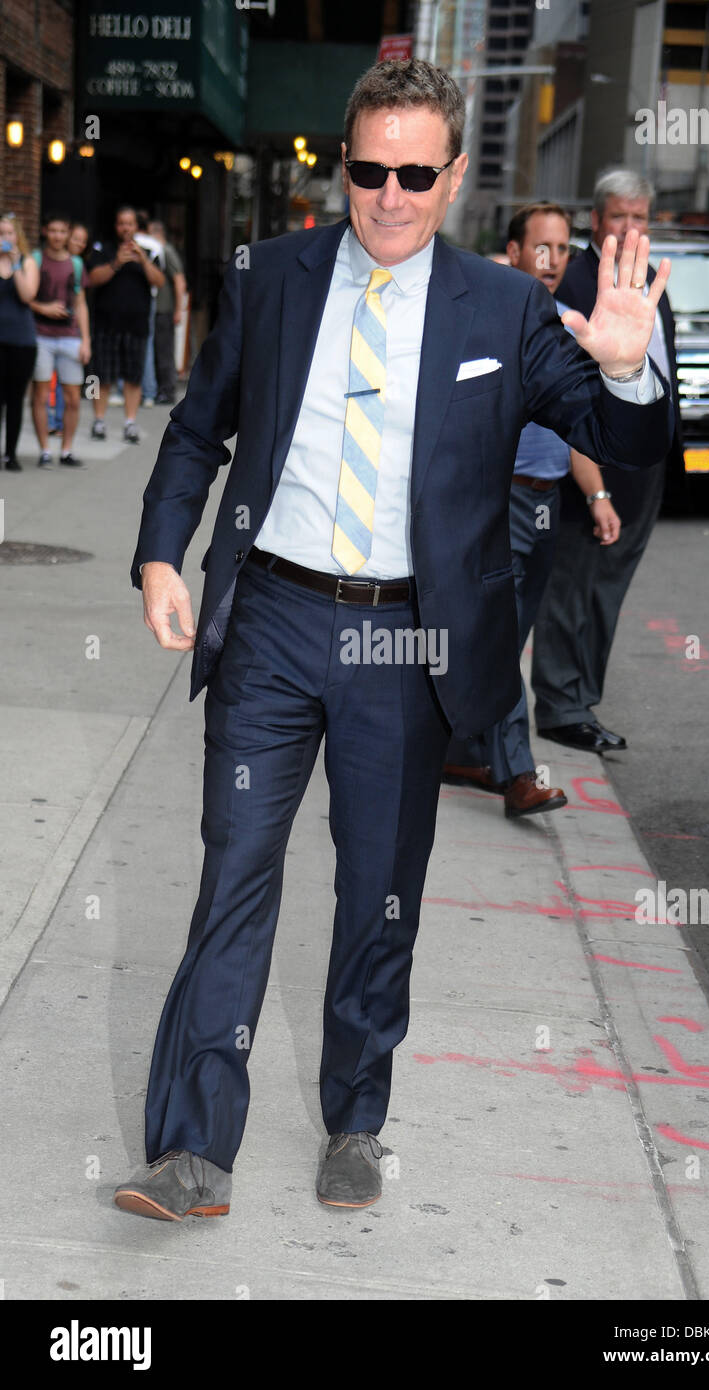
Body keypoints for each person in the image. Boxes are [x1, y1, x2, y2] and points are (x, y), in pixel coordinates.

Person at [114, 59, 672, 1222]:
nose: (389, 195)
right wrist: (165, 552)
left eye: (415, 173)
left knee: (378, 887)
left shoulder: (504, 308)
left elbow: (609, 438)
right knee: (235, 871)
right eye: (368, 170)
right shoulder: (273, 276)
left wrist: (621, 371)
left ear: (453, 175)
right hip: (270, 614)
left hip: (402, 640)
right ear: (343, 163)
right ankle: (190, 1149)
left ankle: (355, 1117)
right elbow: (196, 428)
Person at [442, 201, 622, 816]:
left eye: (563, 249)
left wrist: (596, 496)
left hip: (546, 506)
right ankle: (518, 773)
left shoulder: (573, 325)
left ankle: (463, 749)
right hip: (497, 499)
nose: (552, 260)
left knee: (507, 635)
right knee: (499, 638)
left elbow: (579, 431)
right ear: (513, 252)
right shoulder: (480, 319)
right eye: (540, 247)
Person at [532, 168, 684, 753]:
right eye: (618, 215)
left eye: (639, 217)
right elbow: (563, 393)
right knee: (573, 587)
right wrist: (595, 491)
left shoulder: (649, 283)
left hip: (647, 462)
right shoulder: (574, 283)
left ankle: (580, 699)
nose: (629, 227)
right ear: (595, 220)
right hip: (591, 462)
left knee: (608, 590)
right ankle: (561, 706)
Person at [87, 206, 164, 444]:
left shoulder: (149, 251)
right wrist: (116, 263)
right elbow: (92, 279)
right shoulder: (103, 249)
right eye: (121, 223)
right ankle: (99, 420)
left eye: (129, 224)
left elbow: (159, 281)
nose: (125, 228)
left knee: (133, 376)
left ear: (136, 227)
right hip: (106, 323)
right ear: (116, 226)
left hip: (136, 324)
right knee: (101, 376)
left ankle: (130, 422)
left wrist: (142, 259)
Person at [29, 212, 90, 469]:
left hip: (69, 336)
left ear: (68, 234)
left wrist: (86, 339)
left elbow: (80, 302)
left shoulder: (75, 264)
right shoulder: (35, 260)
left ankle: (66, 450)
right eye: (53, 231)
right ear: (45, 232)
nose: (57, 236)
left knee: (73, 397)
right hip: (40, 334)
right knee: (41, 395)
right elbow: (23, 295)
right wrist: (43, 308)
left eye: (62, 231)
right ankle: (44, 450)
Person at [0, 213, 39, 471]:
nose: (4, 238)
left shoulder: (26, 262)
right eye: (0, 233)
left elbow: (27, 296)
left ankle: (10, 454)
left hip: (21, 342)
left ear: (17, 236)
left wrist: (14, 265)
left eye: (9, 233)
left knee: (15, 399)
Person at [149, 220, 186, 405]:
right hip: (156, 309)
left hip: (165, 309)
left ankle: (167, 390)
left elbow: (180, 281)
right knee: (156, 350)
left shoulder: (166, 250)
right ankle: (159, 389)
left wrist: (178, 310)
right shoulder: (156, 251)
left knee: (164, 351)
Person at [134, 210, 163, 407]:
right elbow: (162, 275)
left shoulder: (136, 244)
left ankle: (121, 390)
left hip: (137, 297)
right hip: (149, 297)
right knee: (147, 343)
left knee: (125, 342)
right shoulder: (156, 245)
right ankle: (149, 392)